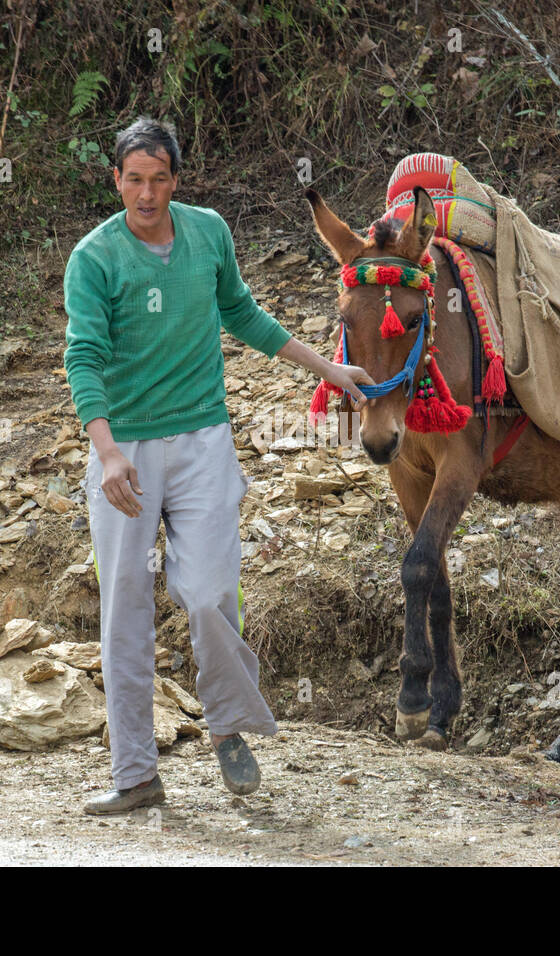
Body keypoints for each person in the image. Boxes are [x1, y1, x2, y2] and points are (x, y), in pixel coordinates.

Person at [64, 116, 372, 813]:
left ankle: (228, 726)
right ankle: (136, 774)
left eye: (159, 179)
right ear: (116, 180)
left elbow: (241, 311)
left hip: (203, 441)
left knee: (208, 595)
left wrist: (326, 368)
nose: (146, 193)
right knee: (125, 613)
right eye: (133, 179)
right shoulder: (95, 257)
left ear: (176, 180)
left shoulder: (207, 232)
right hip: (126, 453)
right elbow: (82, 356)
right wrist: (106, 451)